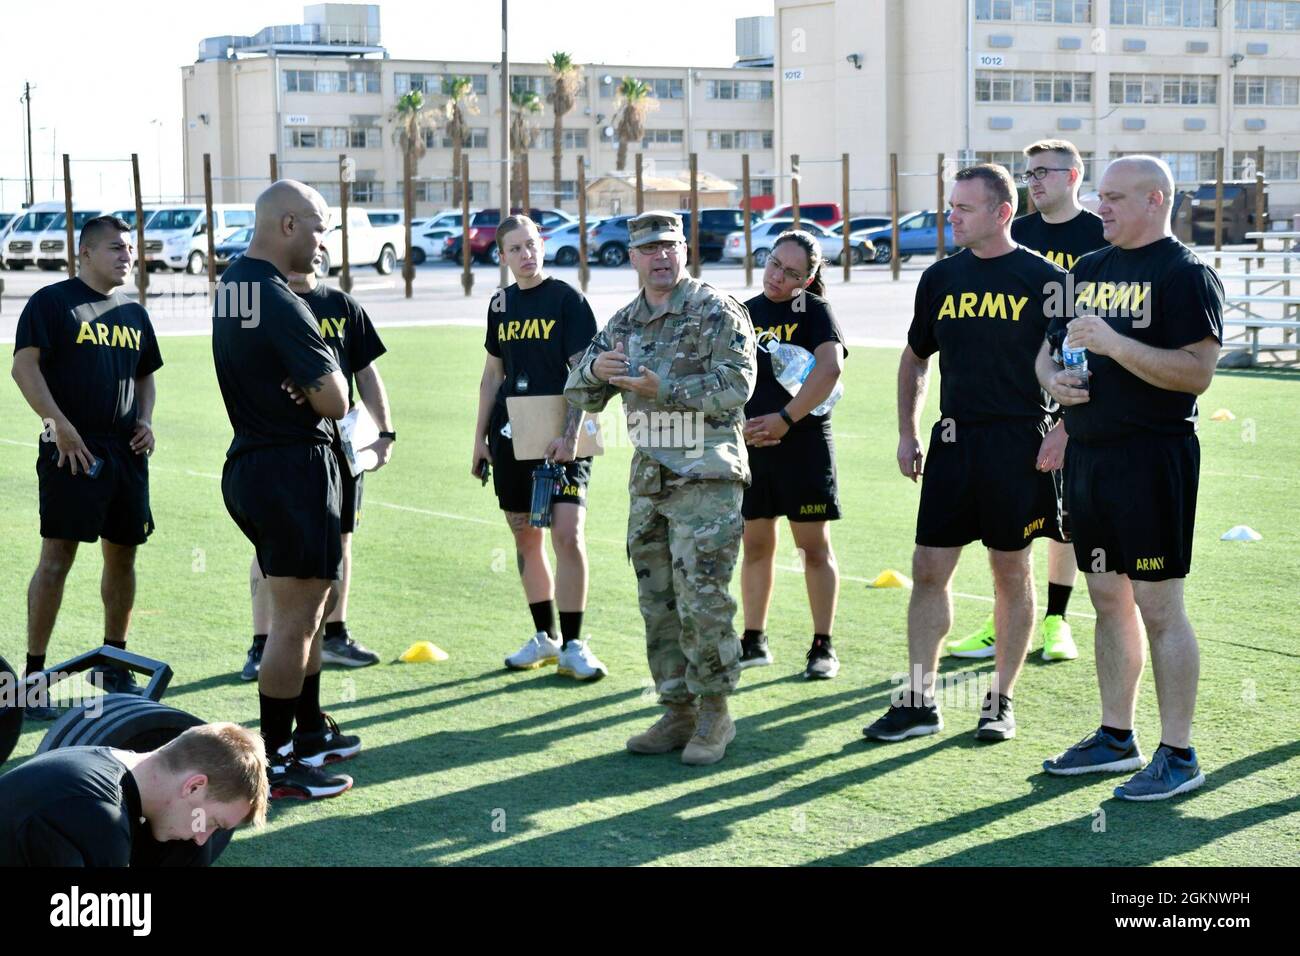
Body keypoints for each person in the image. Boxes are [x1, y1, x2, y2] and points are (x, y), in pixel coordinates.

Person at [1038, 155, 1222, 800]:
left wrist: (1117, 345)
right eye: (1101, 196)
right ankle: (1117, 737)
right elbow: (1050, 349)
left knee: (1159, 607)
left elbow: (1197, 373)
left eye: (1114, 197)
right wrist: (1053, 381)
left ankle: (1180, 753)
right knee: (1105, 598)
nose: (1101, 207)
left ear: (1155, 200)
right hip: (1091, 457)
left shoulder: (1185, 272)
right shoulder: (1086, 269)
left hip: (1152, 458)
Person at [863, 164, 1065, 744]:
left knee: (1010, 570)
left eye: (965, 208)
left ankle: (1000, 700)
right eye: (951, 206)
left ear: (1003, 212)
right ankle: (920, 700)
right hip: (955, 443)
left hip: (1020, 442)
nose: (952, 216)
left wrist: (1065, 429)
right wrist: (908, 430)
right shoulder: (939, 278)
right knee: (928, 569)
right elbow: (915, 357)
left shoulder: (1044, 278)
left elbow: (1077, 364)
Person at [565, 210, 756, 765]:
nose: (662, 257)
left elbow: (737, 386)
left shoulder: (715, 310)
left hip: (707, 476)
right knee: (658, 602)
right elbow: (579, 392)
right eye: (649, 250)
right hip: (650, 482)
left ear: (684, 251)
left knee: (703, 598)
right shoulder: (624, 320)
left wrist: (663, 386)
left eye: (670, 246)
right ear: (633, 259)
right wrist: (596, 370)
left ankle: (715, 714)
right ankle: (677, 712)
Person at [213, 180, 359, 801]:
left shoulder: (233, 282)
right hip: (291, 466)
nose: (327, 243)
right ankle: (274, 765)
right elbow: (336, 397)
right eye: (322, 227)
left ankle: (303, 733)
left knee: (305, 612)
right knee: (296, 620)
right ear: (290, 224)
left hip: (255, 461)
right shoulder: (276, 295)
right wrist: (319, 382)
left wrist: (310, 380)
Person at [947, 139, 1106, 665]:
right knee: (1007, 535)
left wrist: (1066, 420)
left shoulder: (1097, 237)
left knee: (1064, 519)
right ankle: (1006, 623)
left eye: (1044, 172)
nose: (1034, 180)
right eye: (1028, 172)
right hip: (1009, 408)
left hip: (1070, 403)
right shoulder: (1014, 233)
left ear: (1074, 176)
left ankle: (1057, 620)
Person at [10, 216, 163, 718]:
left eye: (130, 249)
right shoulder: (52, 303)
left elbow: (145, 378)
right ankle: (34, 677)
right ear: (86, 254)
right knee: (57, 558)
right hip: (70, 450)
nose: (127, 256)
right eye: (117, 249)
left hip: (125, 453)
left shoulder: (134, 313)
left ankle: (112, 661)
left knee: (124, 558)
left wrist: (145, 419)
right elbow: (23, 367)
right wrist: (58, 425)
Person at [240, 268, 394, 681]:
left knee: (340, 538)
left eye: (321, 237)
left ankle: (334, 636)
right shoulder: (270, 303)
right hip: (286, 445)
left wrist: (385, 431)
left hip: (342, 444)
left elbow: (366, 371)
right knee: (270, 541)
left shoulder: (342, 304)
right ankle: (261, 642)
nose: (314, 248)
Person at [472, 215, 607, 680]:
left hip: (563, 436)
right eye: (515, 249)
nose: (526, 254)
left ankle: (573, 644)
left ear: (542, 245)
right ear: (503, 256)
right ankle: (544, 637)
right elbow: (493, 375)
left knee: (567, 533)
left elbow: (584, 373)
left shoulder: (568, 300)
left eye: (531, 245)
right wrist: (478, 440)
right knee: (525, 536)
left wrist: (571, 436)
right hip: (511, 434)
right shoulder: (501, 304)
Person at [738, 230, 848, 679]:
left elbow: (830, 368)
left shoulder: (816, 312)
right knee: (756, 545)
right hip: (752, 447)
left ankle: (822, 646)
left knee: (813, 549)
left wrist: (785, 418)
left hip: (802, 445)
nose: (777, 276)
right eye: (773, 263)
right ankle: (753, 640)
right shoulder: (744, 311)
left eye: (791, 272)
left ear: (808, 279)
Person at [0, 722, 267, 866]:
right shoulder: (98, 812)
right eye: (212, 823)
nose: (201, 838)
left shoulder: (115, 769)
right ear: (194, 786)